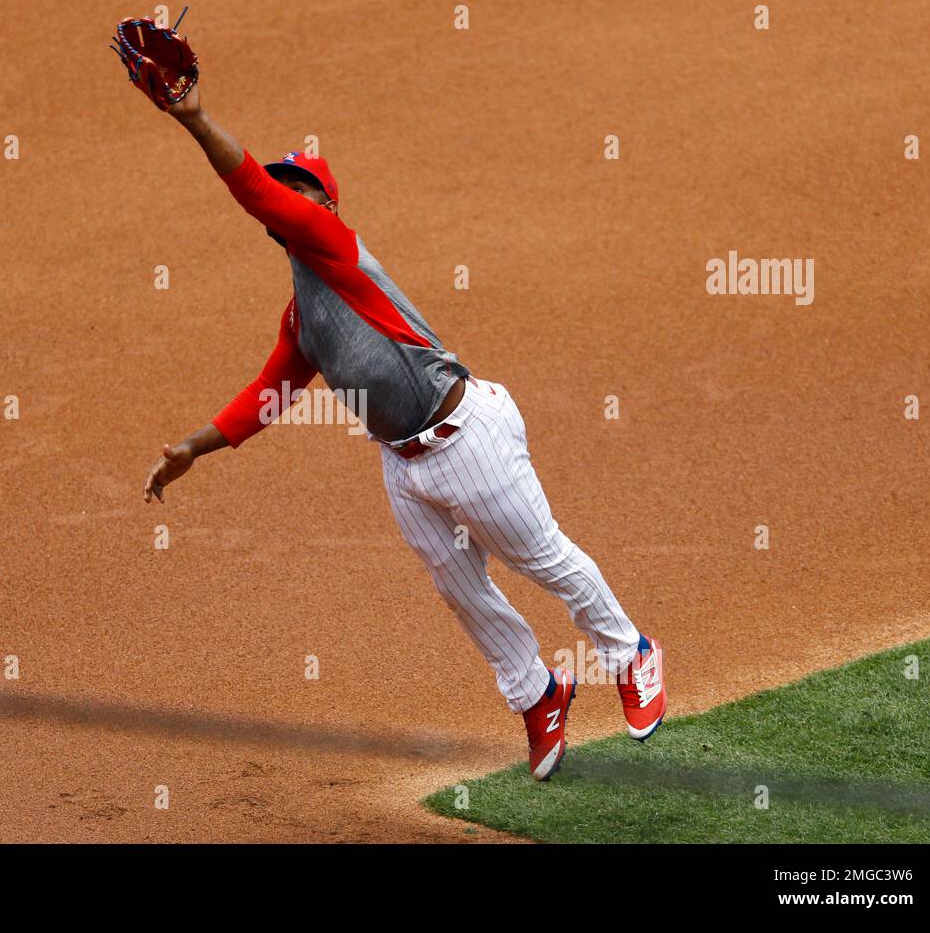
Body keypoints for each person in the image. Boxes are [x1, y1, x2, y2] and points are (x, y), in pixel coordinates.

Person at [139, 79, 665, 780]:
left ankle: (630, 653)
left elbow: (254, 192)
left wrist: (196, 119)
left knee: (541, 560)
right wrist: (191, 450)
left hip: (465, 433)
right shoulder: (302, 317)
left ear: (325, 204)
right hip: (405, 467)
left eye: (302, 186)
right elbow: (269, 394)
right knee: (459, 588)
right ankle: (538, 693)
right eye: (283, 185)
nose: (286, 194)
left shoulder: (334, 246)